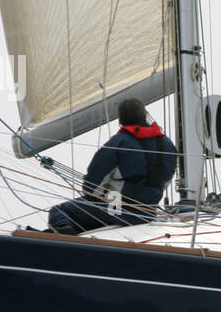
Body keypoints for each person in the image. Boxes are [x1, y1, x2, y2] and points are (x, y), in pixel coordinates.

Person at [48, 98, 179, 234]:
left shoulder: (118, 143)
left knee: (59, 213)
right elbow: (165, 181)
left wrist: (107, 198)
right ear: (145, 116)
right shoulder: (168, 145)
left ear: (120, 121)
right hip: (148, 214)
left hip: (116, 211)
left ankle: (68, 243)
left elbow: (91, 188)